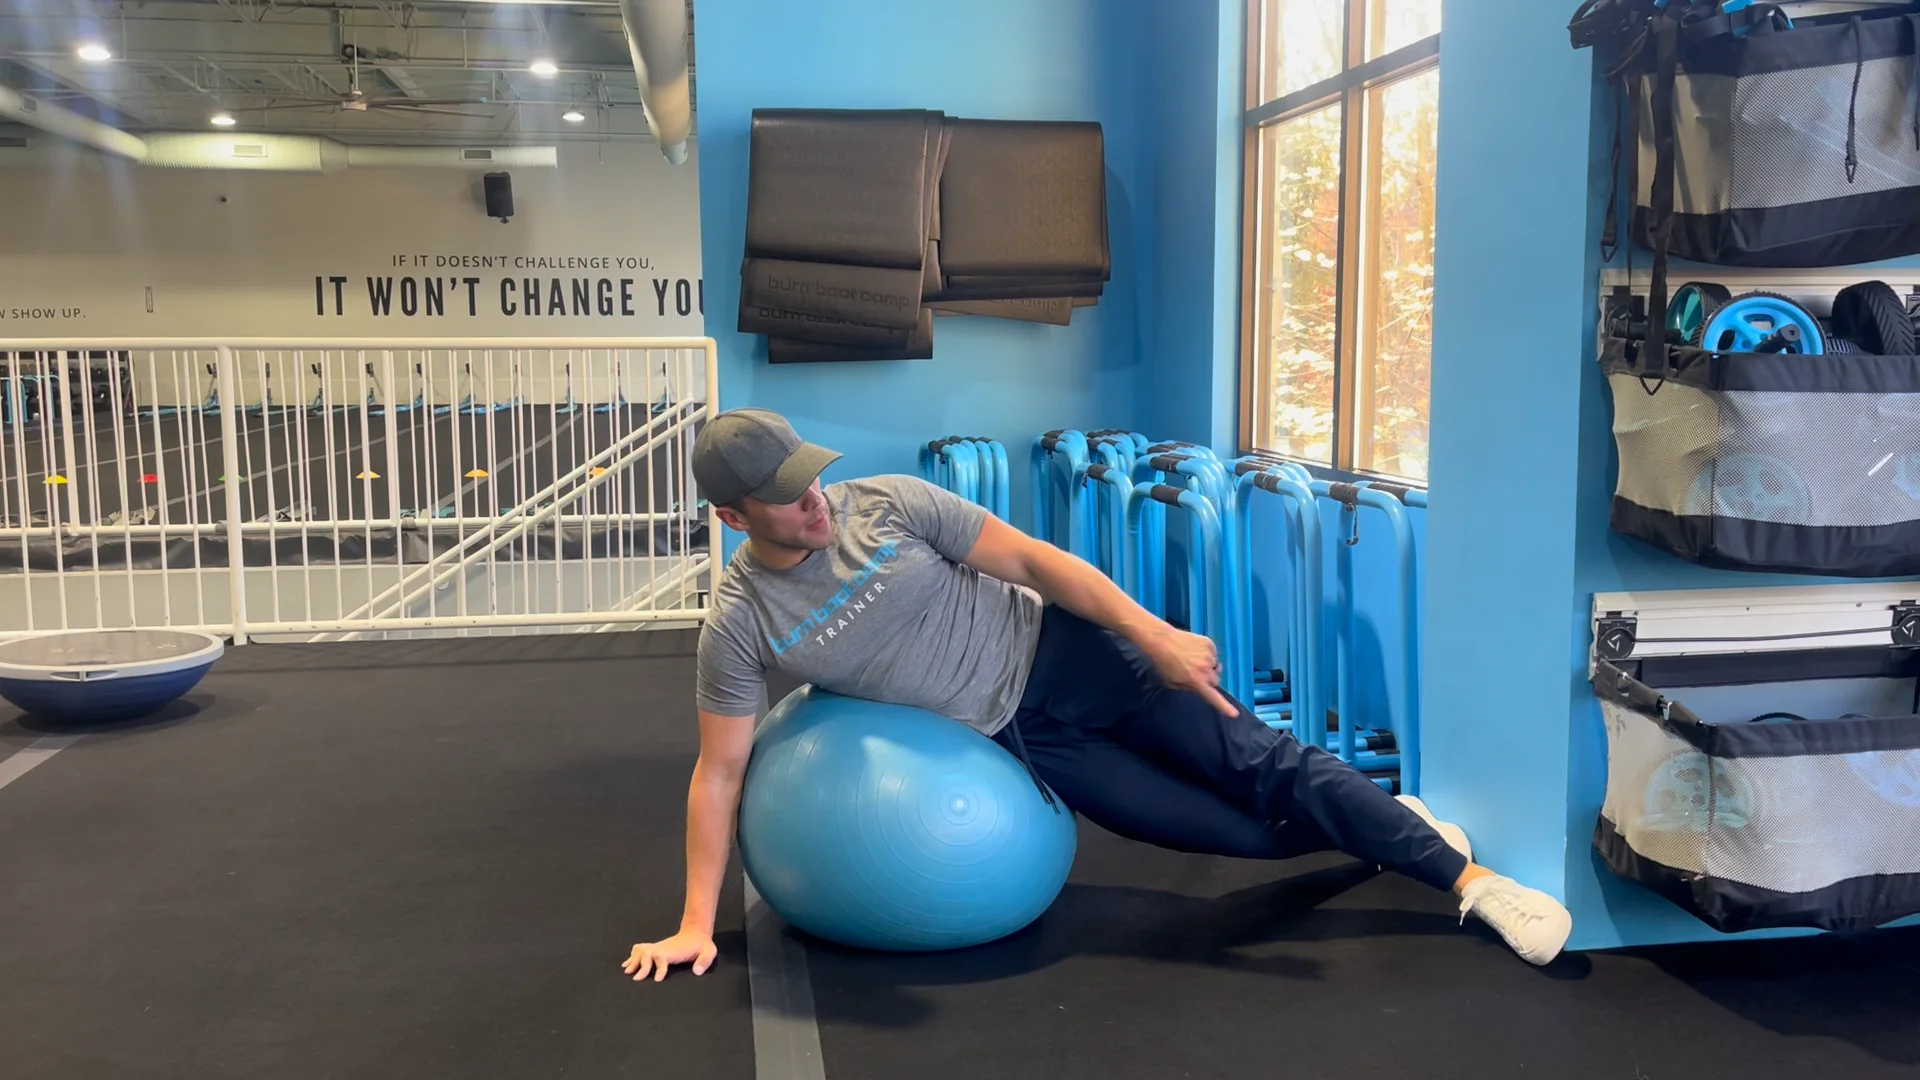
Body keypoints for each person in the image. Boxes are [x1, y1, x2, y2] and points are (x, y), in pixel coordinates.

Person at [623, 408, 1573, 982]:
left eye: (809, 477)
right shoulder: (742, 622)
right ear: (731, 517)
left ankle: (1477, 886)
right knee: (1236, 833)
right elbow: (720, 774)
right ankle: (1387, 824)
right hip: (1022, 739)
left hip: (1072, 655)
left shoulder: (890, 505)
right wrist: (698, 923)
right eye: (787, 498)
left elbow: (1040, 562)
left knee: (1262, 762)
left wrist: (1150, 635)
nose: (814, 501)